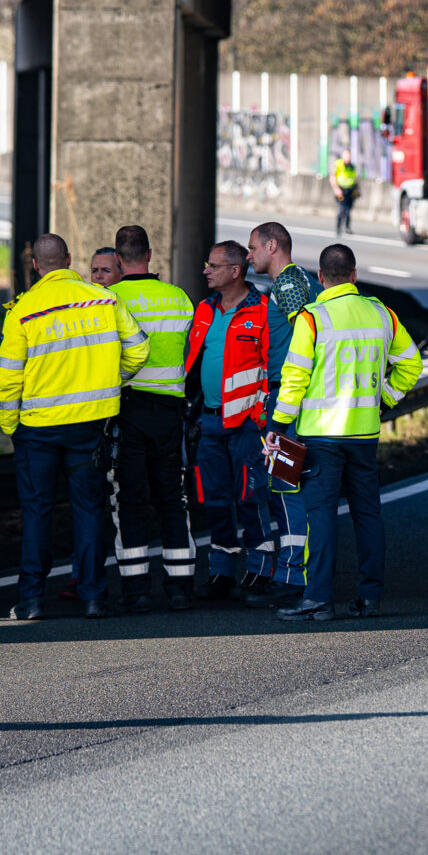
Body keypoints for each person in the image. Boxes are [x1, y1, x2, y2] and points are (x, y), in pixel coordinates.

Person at [0, 233, 149, 620]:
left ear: (34, 264)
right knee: (89, 511)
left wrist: (10, 424)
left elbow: (8, 377)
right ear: (68, 259)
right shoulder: (103, 299)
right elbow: (139, 350)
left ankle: (30, 601)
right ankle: (95, 597)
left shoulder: (22, 310)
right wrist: (113, 382)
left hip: (37, 429)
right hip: (90, 426)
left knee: (37, 514)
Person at [267, 244, 423, 621]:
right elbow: (410, 363)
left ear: (320, 278)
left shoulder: (312, 319)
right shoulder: (382, 313)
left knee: (320, 516)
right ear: (354, 275)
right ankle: (370, 598)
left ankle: (318, 599)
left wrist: (276, 426)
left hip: (321, 439)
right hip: (365, 435)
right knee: (368, 515)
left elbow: (294, 380)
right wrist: (382, 401)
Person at [186, 240, 281, 604]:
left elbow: (272, 370)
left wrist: (261, 418)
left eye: (213, 265)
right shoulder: (205, 310)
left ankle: (260, 570)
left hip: (247, 427)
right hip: (209, 423)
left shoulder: (262, 311)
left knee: (251, 499)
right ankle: (221, 572)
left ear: (235, 271)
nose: (206, 270)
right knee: (214, 500)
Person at [108, 225, 197, 610]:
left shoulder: (106, 300)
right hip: (169, 413)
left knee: (130, 500)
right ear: (149, 253)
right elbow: (191, 355)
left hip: (126, 411)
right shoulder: (179, 300)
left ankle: (136, 591)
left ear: (116, 259)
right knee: (172, 499)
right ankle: (180, 589)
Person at [246, 220, 318, 596]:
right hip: (301, 397)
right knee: (295, 488)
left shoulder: (288, 284)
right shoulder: (301, 279)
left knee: (287, 489)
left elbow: (308, 332)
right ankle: (301, 575)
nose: (249, 255)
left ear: (272, 246)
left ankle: (293, 578)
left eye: (253, 248)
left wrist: (282, 409)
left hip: (291, 398)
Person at [330, 153, 360, 236]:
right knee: (342, 209)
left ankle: (347, 227)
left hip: (351, 190)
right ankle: (338, 228)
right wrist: (336, 189)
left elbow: (356, 178)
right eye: (347, 156)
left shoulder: (352, 166)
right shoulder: (339, 165)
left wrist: (357, 189)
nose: (348, 158)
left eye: (349, 156)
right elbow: (332, 177)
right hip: (341, 190)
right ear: (343, 157)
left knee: (348, 210)